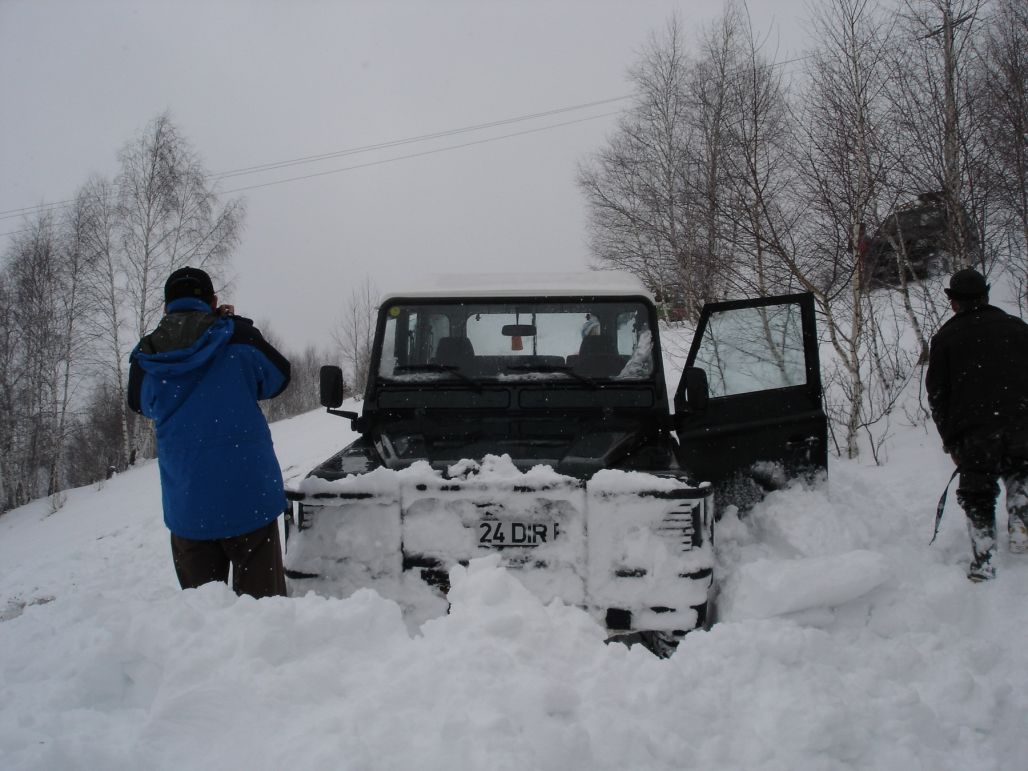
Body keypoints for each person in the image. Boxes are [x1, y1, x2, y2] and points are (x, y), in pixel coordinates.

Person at [128, 266, 292, 598]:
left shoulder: (148, 355)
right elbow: (278, 378)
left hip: (189, 507)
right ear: (214, 300)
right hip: (250, 500)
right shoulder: (239, 338)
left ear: (165, 307)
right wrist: (236, 326)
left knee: (203, 620)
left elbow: (140, 403)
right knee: (264, 615)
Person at [925, 267, 1028, 581]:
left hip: (975, 433)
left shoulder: (945, 339)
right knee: (1019, 470)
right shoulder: (1018, 328)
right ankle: (1020, 514)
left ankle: (984, 560)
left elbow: (937, 395)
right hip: (1021, 422)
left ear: (954, 302)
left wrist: (951, 442)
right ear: (986, 294)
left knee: (978, 493)